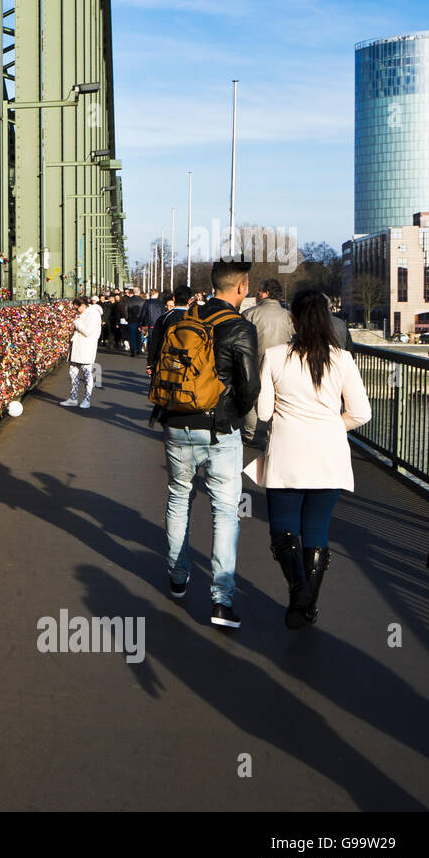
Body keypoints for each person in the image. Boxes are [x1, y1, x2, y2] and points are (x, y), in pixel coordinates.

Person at [257, 290, 372, 629]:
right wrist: (334, 425)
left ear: (293, 318)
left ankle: (298, 589)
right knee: (317, 529)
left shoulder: (276, 356)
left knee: (283, 529)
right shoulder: (342, 359)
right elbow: (362, 413)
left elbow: (264, 412)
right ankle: (306, 606)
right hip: (329, 453)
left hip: (288, 453)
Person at [154, 260, 260, 629]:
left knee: (179, 497)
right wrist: (236, 416)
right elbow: (250, 387)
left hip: (176, 422)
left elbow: (157, 367)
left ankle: (178, 576)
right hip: (220, 430)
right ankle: (221, 601)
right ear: (242, 287)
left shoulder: (180, 319)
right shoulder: (239, 327)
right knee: (225, 512)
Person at [242, 278, 295, 445]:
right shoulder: (288, 316)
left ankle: (249, 434)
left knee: (252, 398)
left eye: (260, 290)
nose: (257, 293)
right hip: (282, 364)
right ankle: (272, 432)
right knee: (278, 399)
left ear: (265, 293)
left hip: (255, 362)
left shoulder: (249, 314)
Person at [60, 296, 102, 409]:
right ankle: (73, 398)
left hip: (85, 348)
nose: (75, 310)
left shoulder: (93, 315)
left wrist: (77, 321)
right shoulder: (82, 314)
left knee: (87, 374)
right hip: (77, 348)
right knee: (73, 372)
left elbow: (87, 332)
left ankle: (86, 399)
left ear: (83, 306)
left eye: (76, 308)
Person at [146, 285, 193, 374]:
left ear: (174, 299)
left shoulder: (164, 318)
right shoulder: (195, 318)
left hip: (165, 361)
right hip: (189, 362)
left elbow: (155, 341)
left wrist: (150, 363)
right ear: (189, 301)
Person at [124, 289, 145, 357]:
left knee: (132, 335)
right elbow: (144, 312)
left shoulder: (128, 300)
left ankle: (133, 349)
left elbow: (125, 310)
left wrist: (127, 318)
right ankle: (139, 349)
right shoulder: (143, 301)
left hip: (131, 320)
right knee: (139, 335)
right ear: (139, 292)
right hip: (140, 320)